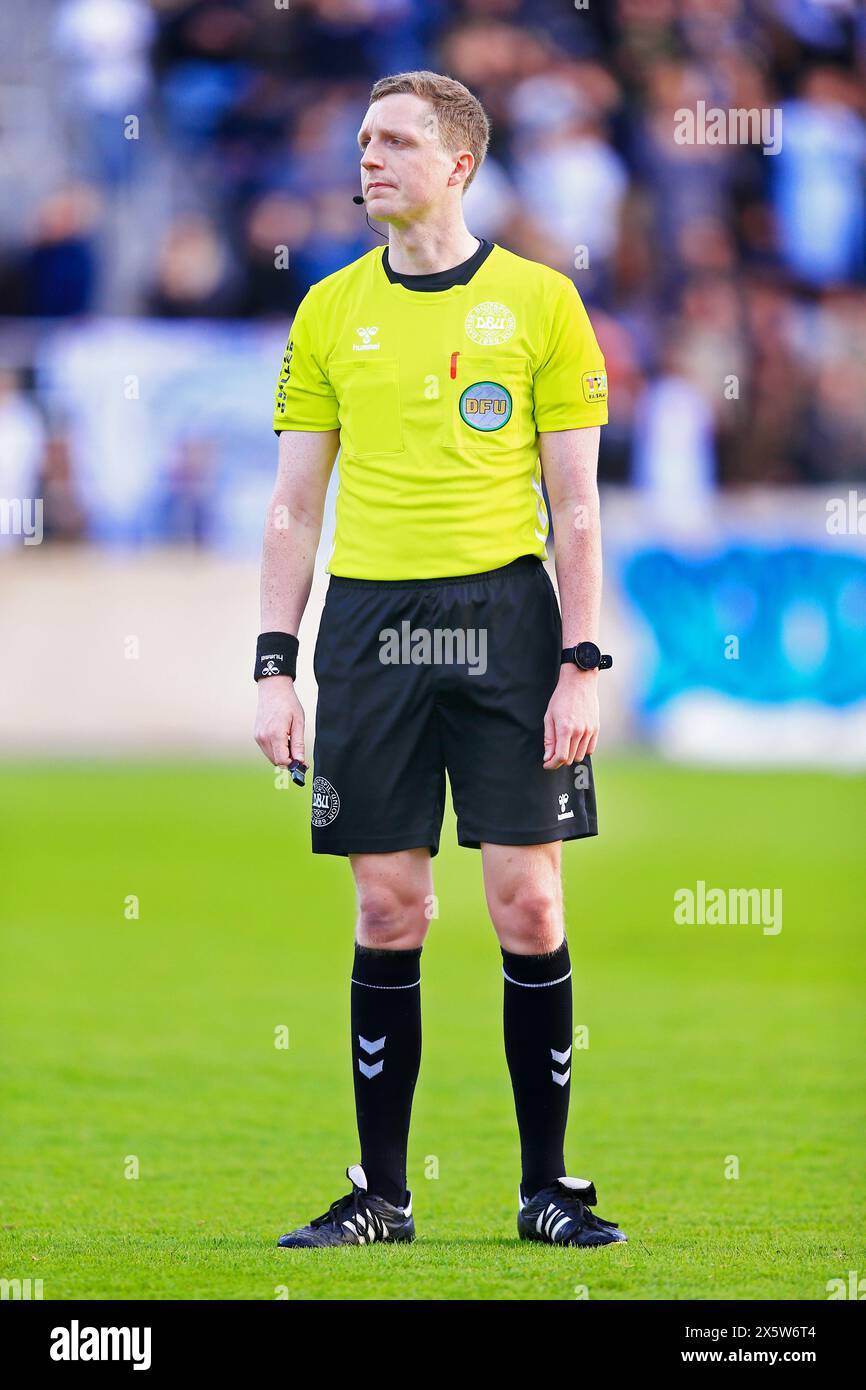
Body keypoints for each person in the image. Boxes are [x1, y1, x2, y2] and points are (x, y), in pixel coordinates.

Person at [254, 69, 625, 1250]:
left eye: (395, 141)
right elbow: (291, 509)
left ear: (457, 164)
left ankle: (547, 1189)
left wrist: (579, 660)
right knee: (386, 903)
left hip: (508, 626)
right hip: (367, 628)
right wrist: (274, 661)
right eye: (362, 139)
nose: (368, 157)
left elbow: (575, 505)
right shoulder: (325, 311)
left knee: (526, 901)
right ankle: (379, 1193)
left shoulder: (539, 302)